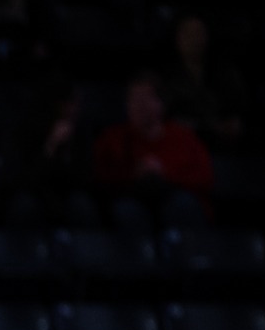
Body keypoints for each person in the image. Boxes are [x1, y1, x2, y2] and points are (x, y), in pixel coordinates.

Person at [91, 73, 213, 232]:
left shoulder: (183, 138)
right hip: (131, 199)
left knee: (182, 204)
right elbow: (100, 178)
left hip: (175, 200)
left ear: (161, 103)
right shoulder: (113, 139)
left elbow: (205, 178)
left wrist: (164, 173)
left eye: (144, 99)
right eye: (133, 99)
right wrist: (134, 174)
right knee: (126, 210)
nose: (138, 105)